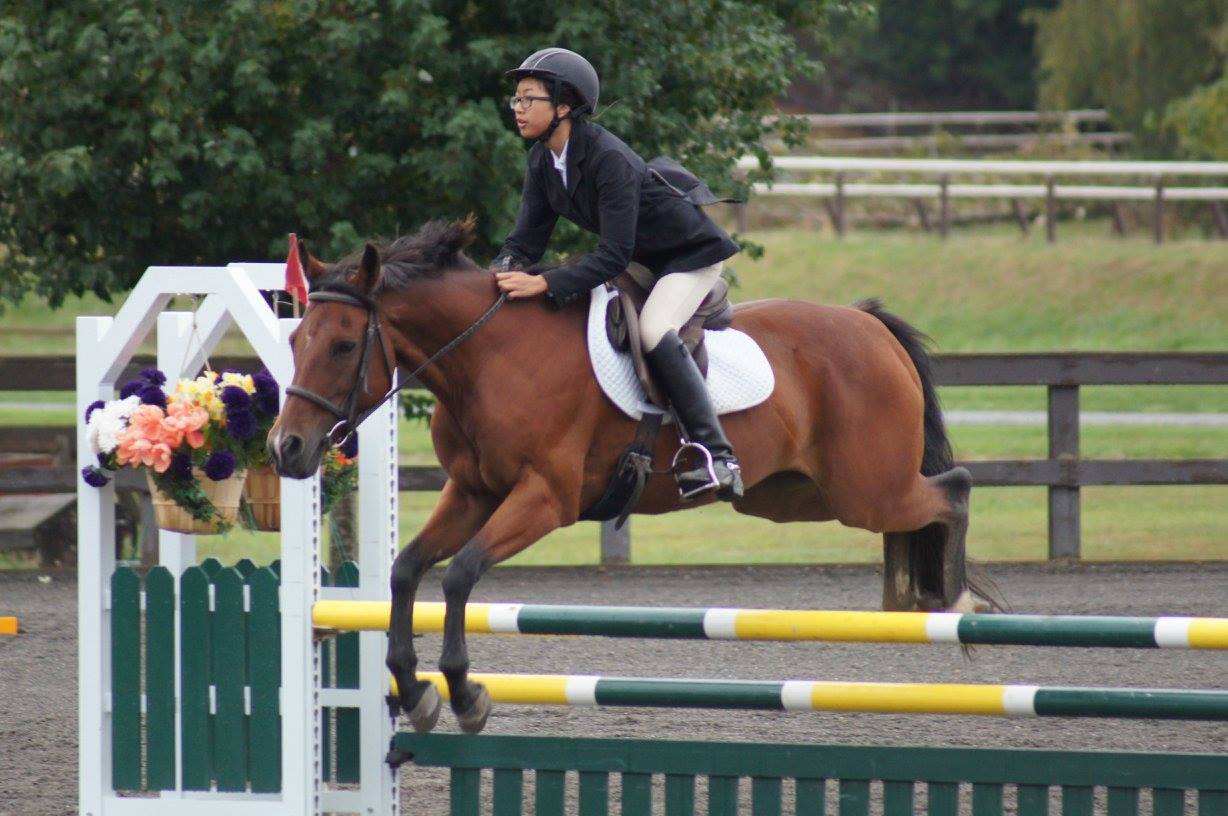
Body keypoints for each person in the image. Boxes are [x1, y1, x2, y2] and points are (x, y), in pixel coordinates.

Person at [492, 47, 744, 501]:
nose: (518, 108)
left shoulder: (608, 159)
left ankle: (718, 456)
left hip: (686, 256)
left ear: (563, 107)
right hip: (639, 258)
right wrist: (492, 281)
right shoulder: (543, 161)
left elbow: (610, 255)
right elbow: (525, 243)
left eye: (529, 99)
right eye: (517, 99)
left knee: (652, 329)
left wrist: (546, 282)